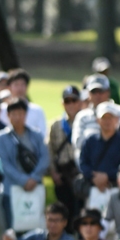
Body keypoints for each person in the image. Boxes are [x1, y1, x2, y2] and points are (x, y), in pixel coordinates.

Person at [0, 99, 49, 229]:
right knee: (12, 228)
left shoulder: (37, 135)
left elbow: (45, 158)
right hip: (11, 190)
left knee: (36, 226)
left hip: (35, 187)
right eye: (13, 114)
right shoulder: (0, 138)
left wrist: (34, 178)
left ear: (26, 114)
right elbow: (4, 164)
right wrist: (23, 180)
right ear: (8, 115)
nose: (17, 117)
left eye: (20, 113)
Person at [78, 102, 120, 206]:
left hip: (117, 189)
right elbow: (83, 163)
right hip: (93, 189)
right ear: (97, 120)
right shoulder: (90, 141)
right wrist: (93, 177)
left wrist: (107, 176)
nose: (107, 121)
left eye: (111, 117)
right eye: (104, 118)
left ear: (117, 119)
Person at [48, 85, 84, 222]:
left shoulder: (85, 121)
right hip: (63, 172)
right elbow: (50, 150)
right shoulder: (56, 125)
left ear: (80, 102)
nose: (71, 105)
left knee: (80, 208)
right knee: (65, 209)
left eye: (74, 101)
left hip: (80, 171)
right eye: (67, 101)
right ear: (62, 104)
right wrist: (53, 172)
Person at [0, 69, 46, 133]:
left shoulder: (37, 110)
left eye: (22, 84)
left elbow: (42, 134)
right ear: (9, 87)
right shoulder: (1, 109)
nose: (20, 88)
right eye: (16, 85)